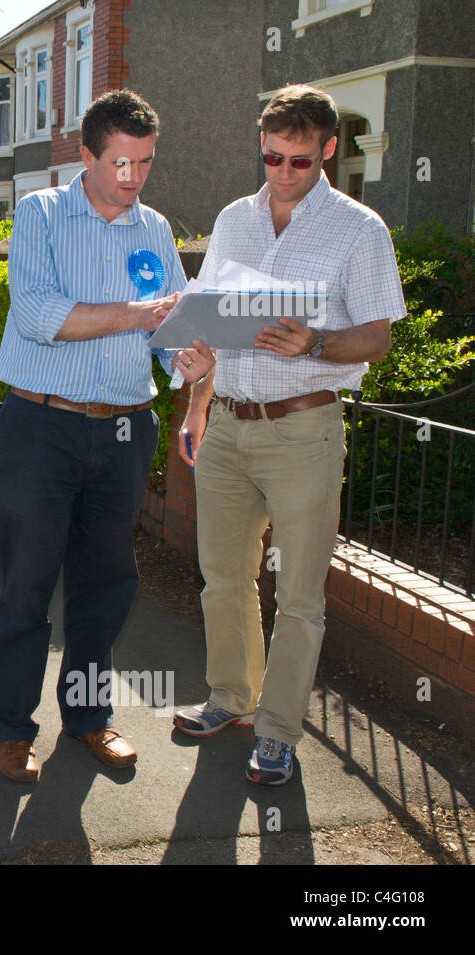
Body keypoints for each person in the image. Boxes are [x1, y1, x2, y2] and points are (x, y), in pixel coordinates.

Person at [172, 85, 404, 785]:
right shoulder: (234, 220)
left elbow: (379, 338)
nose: (281, 171)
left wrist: (315, 342)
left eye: (298, 160)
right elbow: (206, 319)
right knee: (223, 577)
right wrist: (195, 392)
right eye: (271, 156)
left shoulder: (360, 229)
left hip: (305, 426)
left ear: (328, 149)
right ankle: (230, 698)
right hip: (229, 426)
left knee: (299, 592)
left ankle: (277, 732)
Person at [0, 90, 206, 781]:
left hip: (124, 431)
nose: (132, 177)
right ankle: (12, 727)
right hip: (41, 424)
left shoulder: (157, 229)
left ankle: (88, 718)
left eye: (144, 162)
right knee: (27, 580)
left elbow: (168, 334)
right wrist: (138, 316)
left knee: (106, 583)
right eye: (119, 161)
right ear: (86, 156)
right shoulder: (41, 215)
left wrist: (188, 360)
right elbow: (39, 314)